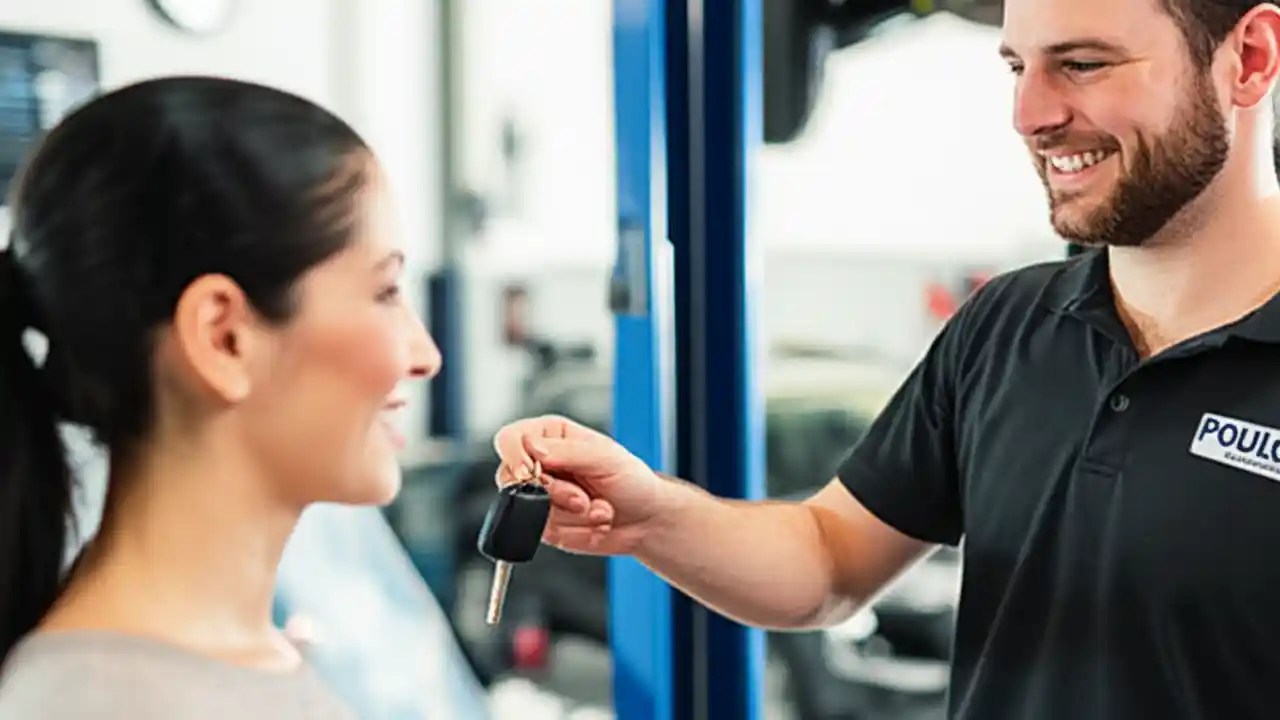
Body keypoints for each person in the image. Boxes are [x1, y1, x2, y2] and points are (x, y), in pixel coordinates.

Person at [493, 1, 1280, 718]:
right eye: (1016, 67)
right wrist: (651, 516)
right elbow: (829, 564)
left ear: (1248, 58)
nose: (1029, 114)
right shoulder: (1004, 328)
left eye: (1083, 65)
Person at [0, 76, 440, 718]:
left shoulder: (230, 664)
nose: (425, 355)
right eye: (385, 292)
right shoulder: (98, 702)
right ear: (224, 337)